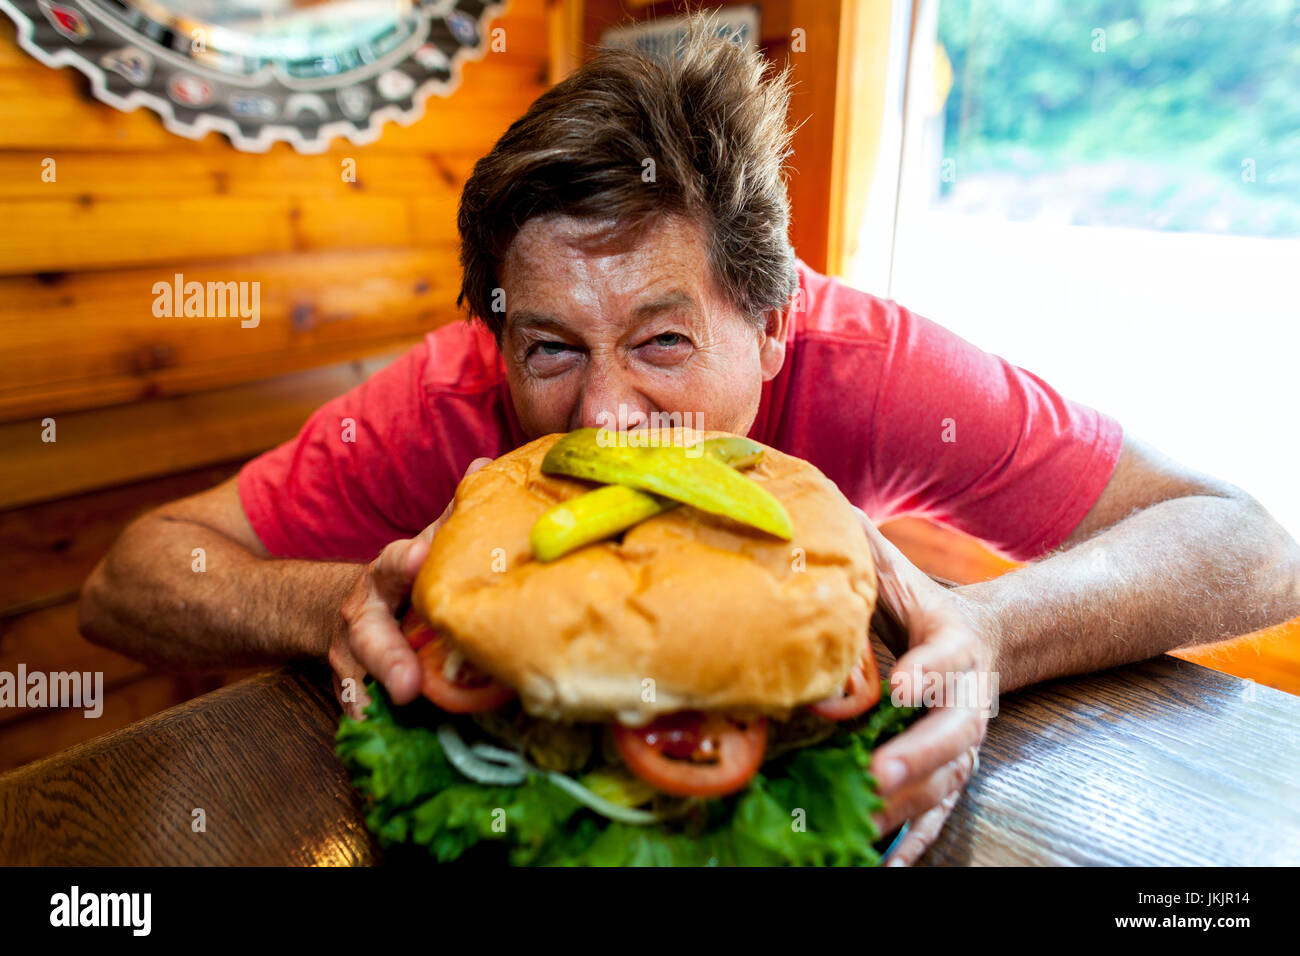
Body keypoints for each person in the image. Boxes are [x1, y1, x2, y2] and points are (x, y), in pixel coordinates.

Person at [78, 19, 1300, 865]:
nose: (606, 417)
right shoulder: (446, 395)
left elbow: (1248, 542)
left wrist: (993, 630)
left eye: (662, 341)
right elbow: (126, 579)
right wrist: (328, 601)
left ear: (772, 324)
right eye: (551, 347)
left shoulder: (871, 365)